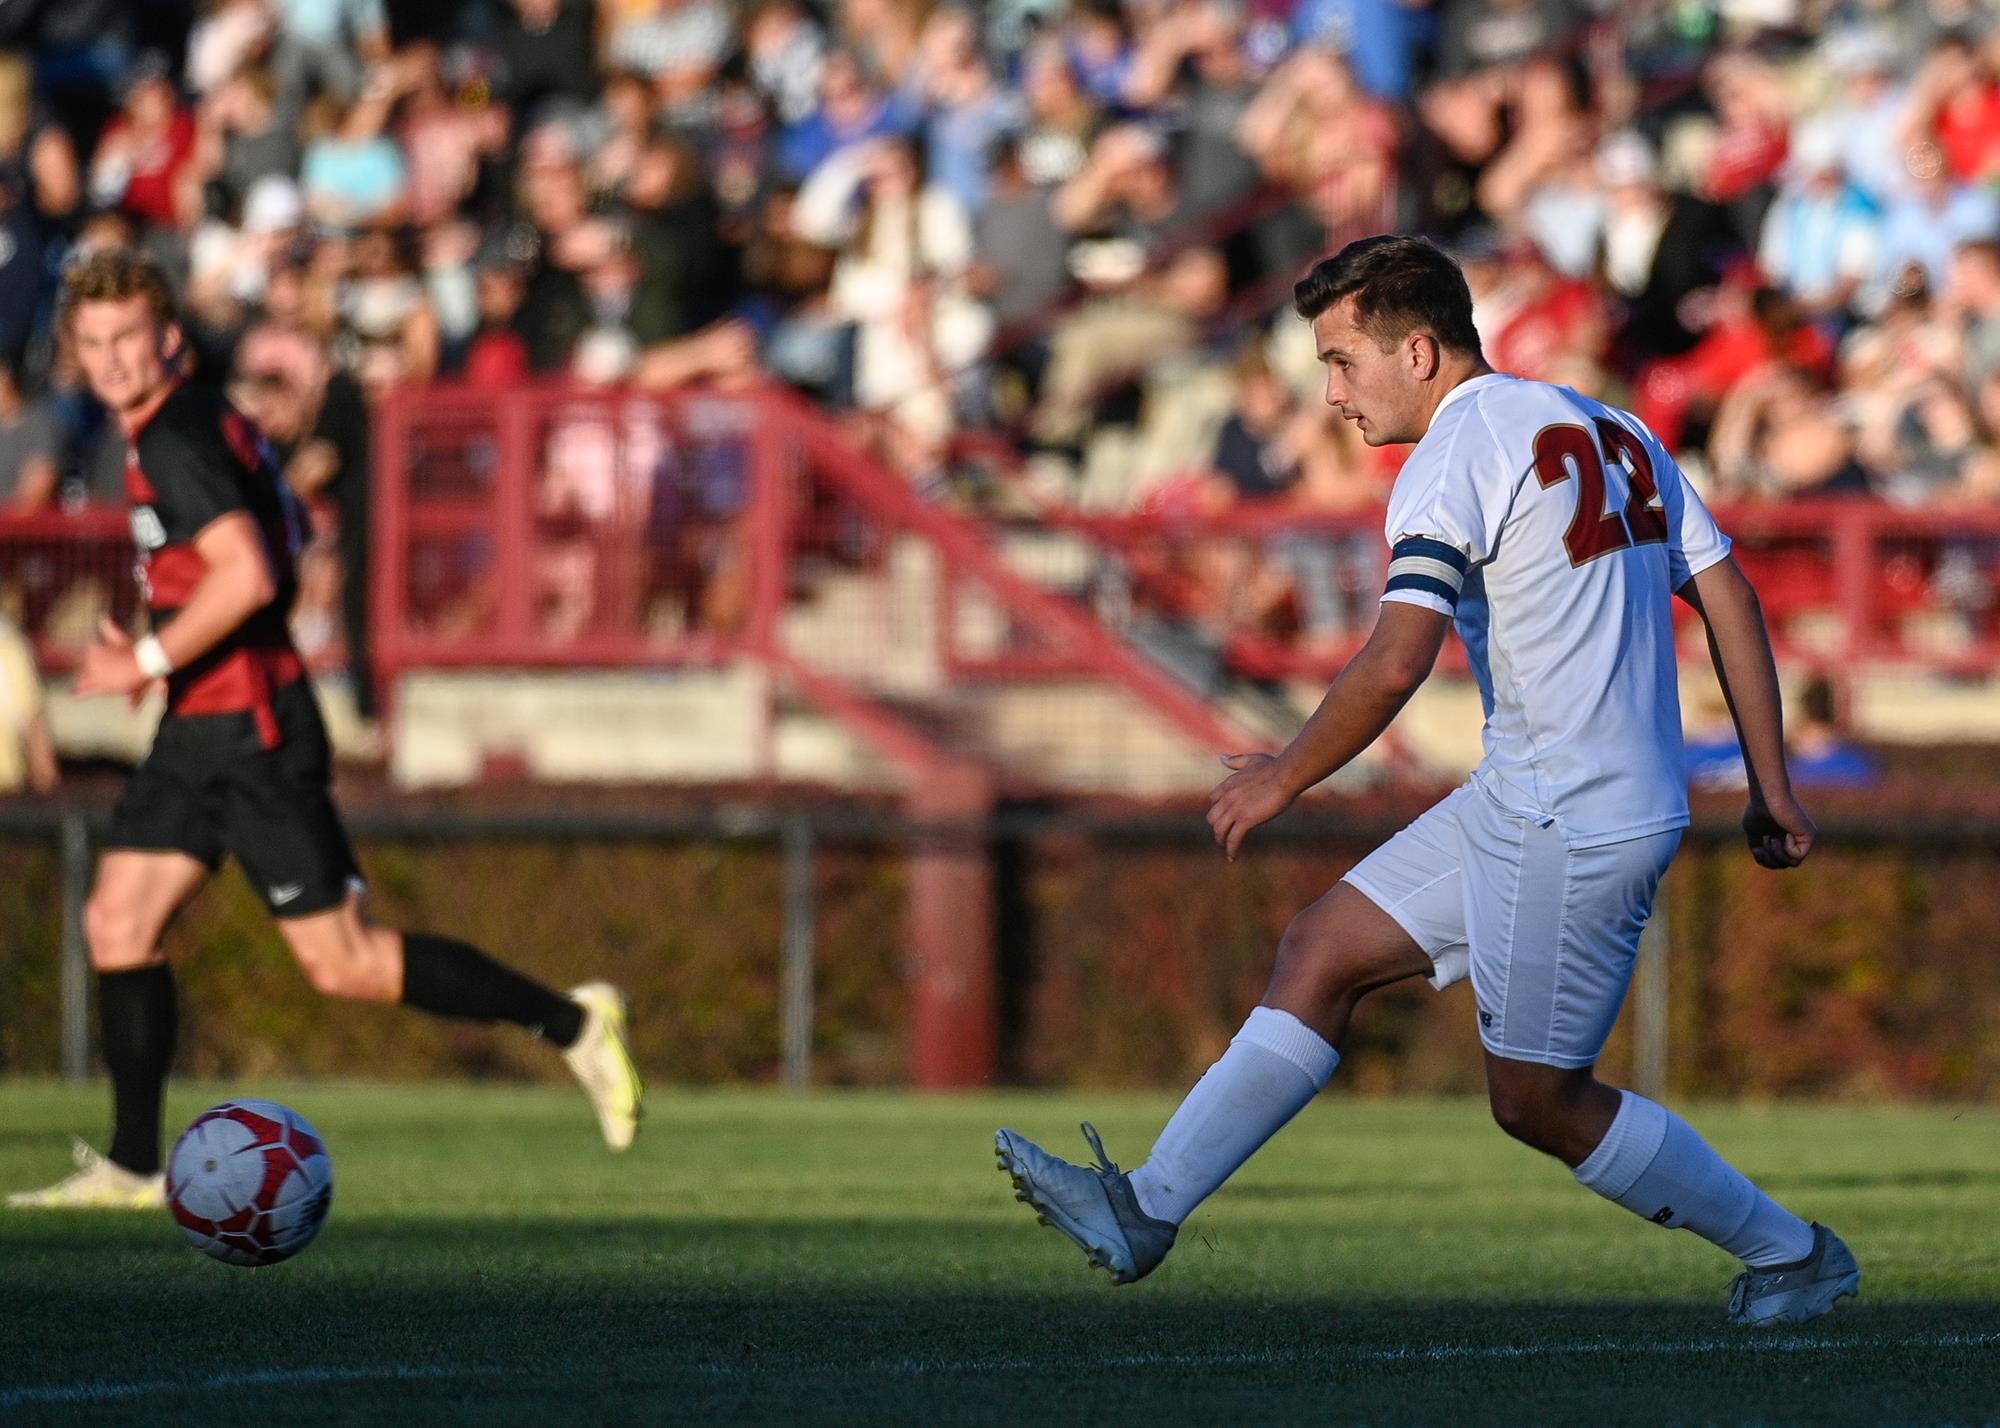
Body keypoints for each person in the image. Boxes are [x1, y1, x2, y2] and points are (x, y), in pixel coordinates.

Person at [996, 234, 1860, 1328]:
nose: (1330, 395)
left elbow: (1396, 658)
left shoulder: (1454, 455)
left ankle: (1789, 1254)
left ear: (1417, 350)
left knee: (1536, 1103)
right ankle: (1145, 1210)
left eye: (1339, 362)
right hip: (1535, 797)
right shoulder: (1607, 423)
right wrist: (1769, 782)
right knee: (1318, 950)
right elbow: (1727, 593)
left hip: (1567, 816)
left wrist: (1283, 777)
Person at [8, 250, 643, 1212]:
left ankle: (574, 1022)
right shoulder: (202, 420)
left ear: (168, 337)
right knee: (118, 921)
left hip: (254, 728)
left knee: (345, 964)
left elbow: (253, 576)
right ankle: (137, 1167)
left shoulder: (176, 438)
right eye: (92, 344)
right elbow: (288, 541)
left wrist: (144, 660)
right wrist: (169, 645)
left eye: (128, 337)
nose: (111, 360)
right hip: (201, 722)